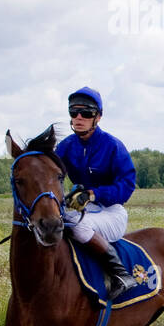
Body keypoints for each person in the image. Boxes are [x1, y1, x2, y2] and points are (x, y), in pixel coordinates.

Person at [56, 87, 139, 300]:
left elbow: (126, 187)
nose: (79, 118)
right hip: (85, 210)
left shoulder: (113, 146)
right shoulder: (65, 147)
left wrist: (93, 194)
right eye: (74, 113)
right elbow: (50, 173)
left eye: (87, 113)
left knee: (78, 227)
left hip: (112, 212)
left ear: (98, 117)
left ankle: (121, 275)